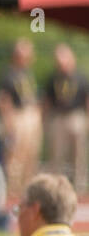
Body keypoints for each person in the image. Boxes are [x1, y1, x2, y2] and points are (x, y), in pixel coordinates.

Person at [0, 39, 42, 204]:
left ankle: (27, 191)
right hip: (17, 116)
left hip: (30, 116)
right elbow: (4, 100)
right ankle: (12, 194)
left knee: (31, 156)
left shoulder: (28, 73)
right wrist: (8, 123)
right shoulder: (8, 74)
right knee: (15, 157)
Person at [43, 44, 89, 192]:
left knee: (78, 154)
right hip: (58, 117)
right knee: (56, 154)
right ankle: (56, 187)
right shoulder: (53, 78)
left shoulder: (81, 77)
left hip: (76, 116)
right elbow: (47, 101)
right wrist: (44, 121)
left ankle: (79, 186)